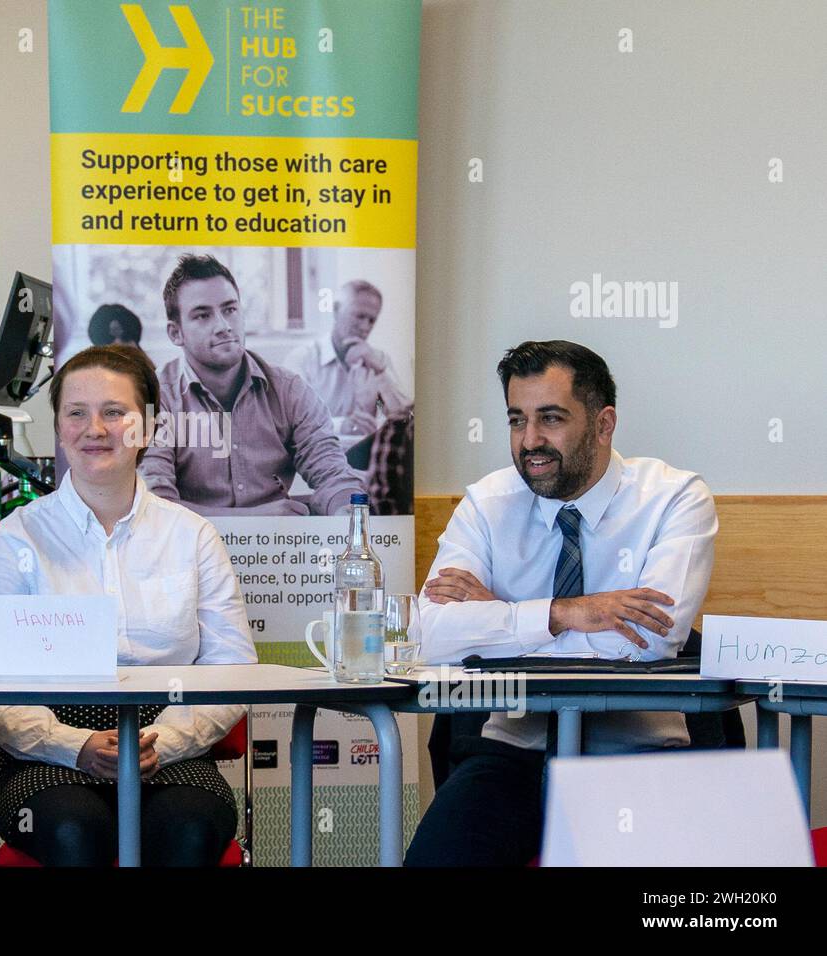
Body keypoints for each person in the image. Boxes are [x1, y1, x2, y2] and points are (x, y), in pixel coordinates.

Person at [404, 340, 717, 867]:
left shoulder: (674, 498)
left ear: (603, 423)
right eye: (516, 419)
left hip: (636, 758)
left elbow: (649, 641)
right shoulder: (488, 502)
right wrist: (562, 612)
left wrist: (499, 614)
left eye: (551, 418)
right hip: (514, 752)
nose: (530, 441)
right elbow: (427, 637)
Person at [0, 344, 257, 866]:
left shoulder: (193, 538)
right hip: (46, 754)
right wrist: (72, 744)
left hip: (168, 748)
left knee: (189, 830)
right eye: (76, 413)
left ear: (146, 427)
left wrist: (161, 742)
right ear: (58, 427)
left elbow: (232, 669)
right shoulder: (16, 540)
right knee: (75, 831)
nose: (94, 428)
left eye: (114, 412)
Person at [138, 253, 364, 516]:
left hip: (279, 550)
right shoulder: (154, 398)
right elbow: (153, 507)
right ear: (176, 333)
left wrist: (347, 510)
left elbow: (333, 473)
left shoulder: (289, 391)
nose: (223, 326)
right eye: (202, 316)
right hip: (188, 553)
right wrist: (257, 519)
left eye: (230, 310)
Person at [283, 279, 412, 437]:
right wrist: (343, 426)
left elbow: (406, 419)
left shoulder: (378, 359)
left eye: (372, 320)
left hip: (369, 458)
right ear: (336, 310)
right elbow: (292, 423)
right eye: (359, 316)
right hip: (318, 457)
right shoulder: (302, 359)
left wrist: (380, 372)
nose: (365, 327)